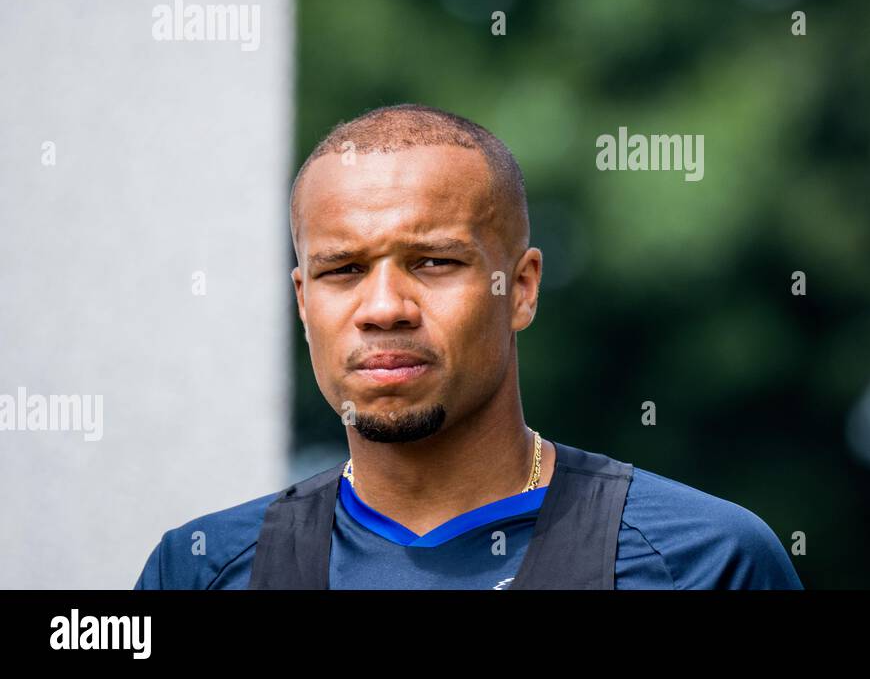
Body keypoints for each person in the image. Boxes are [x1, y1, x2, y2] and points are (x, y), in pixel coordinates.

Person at [134, 103, 802, 589]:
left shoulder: (702, 562)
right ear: (305, 301)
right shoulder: (202, 569)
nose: (385, 307)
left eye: (432, 262)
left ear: (522, 289)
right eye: (343, 271)